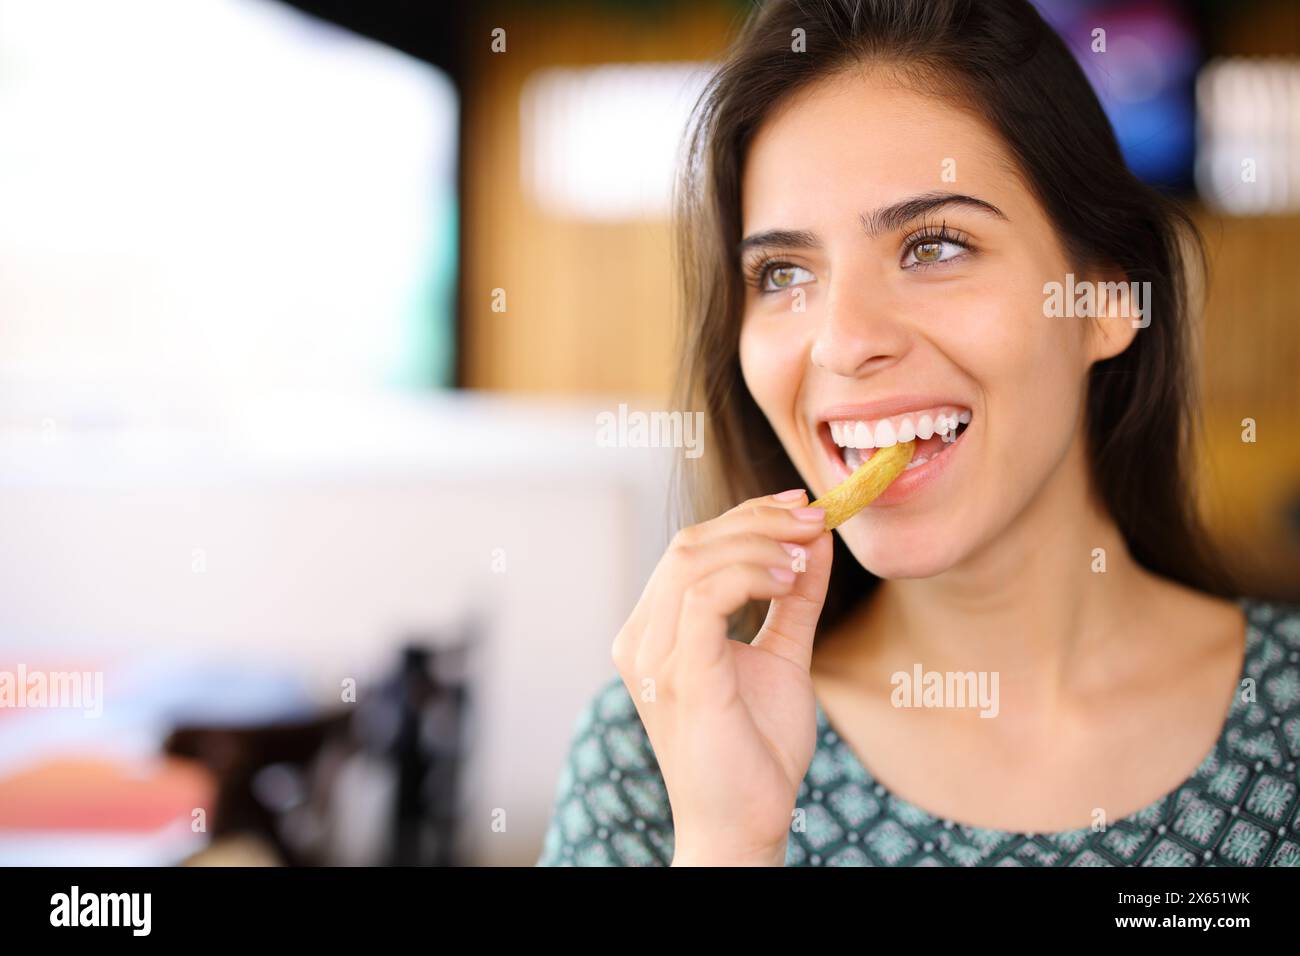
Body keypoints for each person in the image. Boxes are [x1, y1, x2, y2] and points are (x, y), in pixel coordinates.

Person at [537, 0, 1300, 866]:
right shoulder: (659, 752)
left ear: (1108, 298)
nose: (845, 340)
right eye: (783, 272)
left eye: (934, 246)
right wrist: (729, 841)